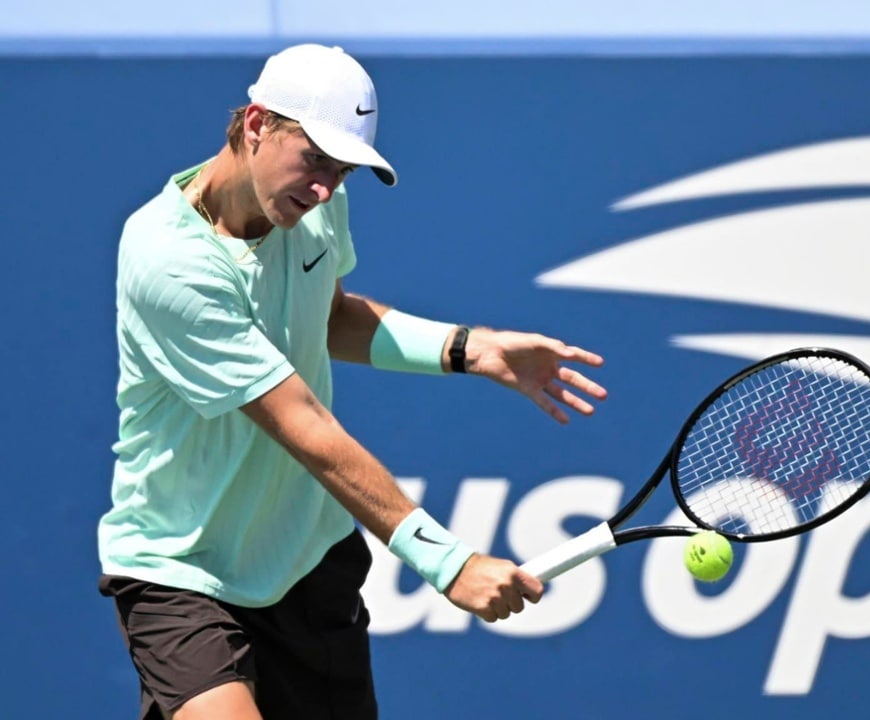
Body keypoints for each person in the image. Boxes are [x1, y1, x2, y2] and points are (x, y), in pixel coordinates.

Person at [98, 44, 607, 720]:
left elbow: (327, 316)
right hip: (184, 568)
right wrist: (448, 562)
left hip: (307, 558)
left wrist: (469, 348)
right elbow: (304, 427)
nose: (324, 189)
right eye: (314, 159)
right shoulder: (169, 262)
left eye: (340, 171)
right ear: (256, 125)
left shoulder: (311, 204)